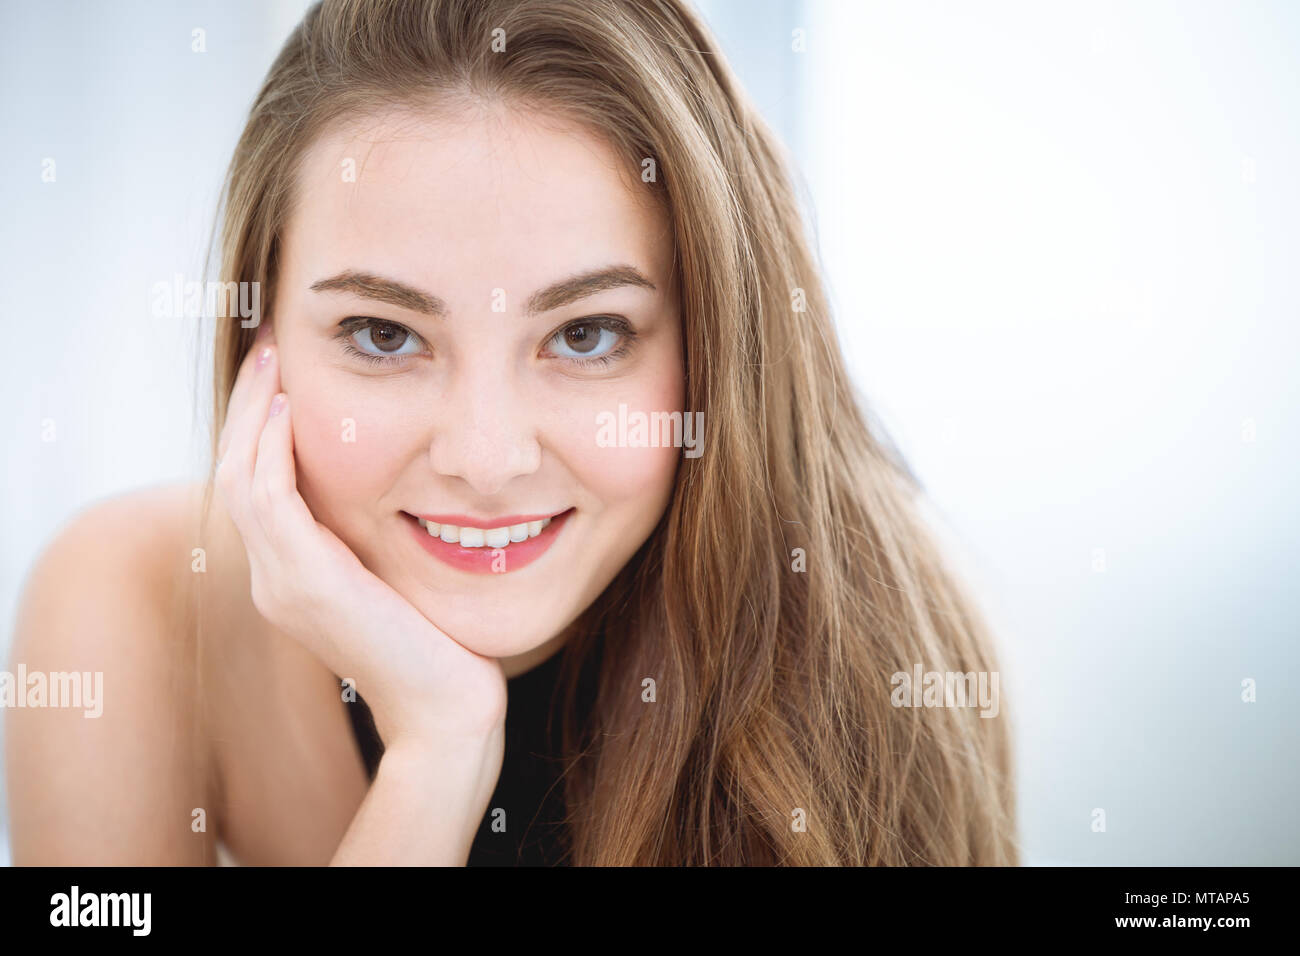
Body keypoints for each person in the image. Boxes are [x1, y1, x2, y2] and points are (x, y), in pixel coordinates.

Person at [4, 0, 1018, 865]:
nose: (486, 458)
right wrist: (437, 754)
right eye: (382, 332)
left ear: (715, 345)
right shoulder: (135, 602)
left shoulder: (873, 650)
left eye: (585, 334)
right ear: (258, 332)